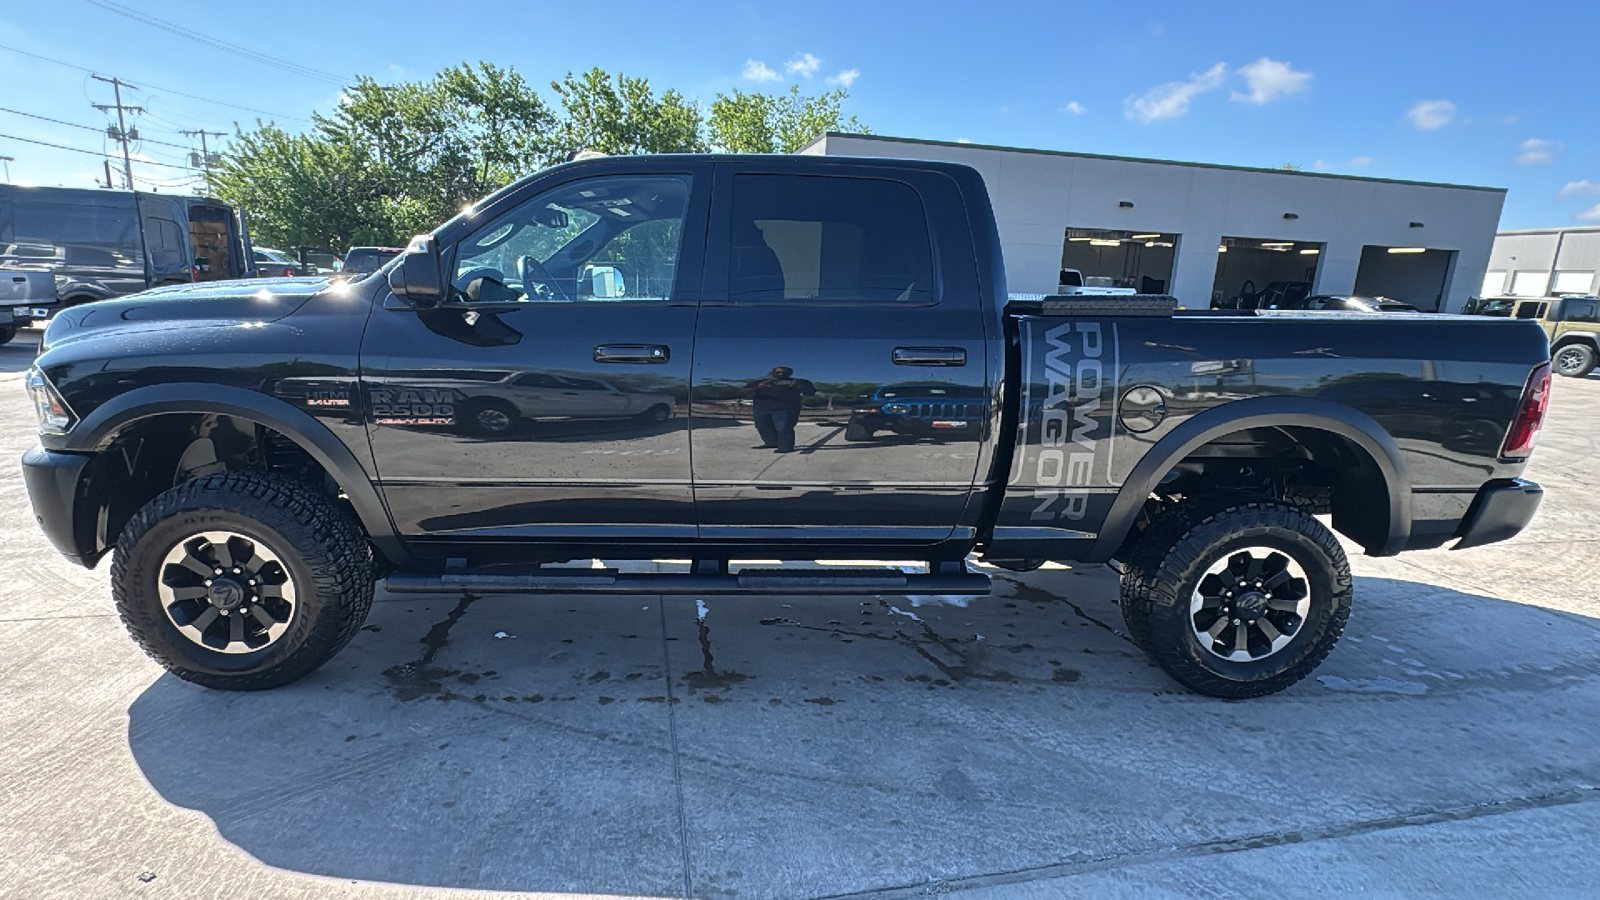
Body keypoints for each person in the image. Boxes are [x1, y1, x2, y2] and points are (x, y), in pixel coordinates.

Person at [743, 366, 816, 453]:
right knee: (762, 426)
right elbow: (742, 392)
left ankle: (786, 447)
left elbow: (810, 393)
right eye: (778, 372)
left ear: (789, 374)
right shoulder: (760, 382)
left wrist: (801, 385)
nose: (781, 374)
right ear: (772, 372)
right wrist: (759, 387)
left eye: (784, 373)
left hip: (785, 408)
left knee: (784, 428)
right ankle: (771, 443)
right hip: (761, 408)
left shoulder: (798, 382)